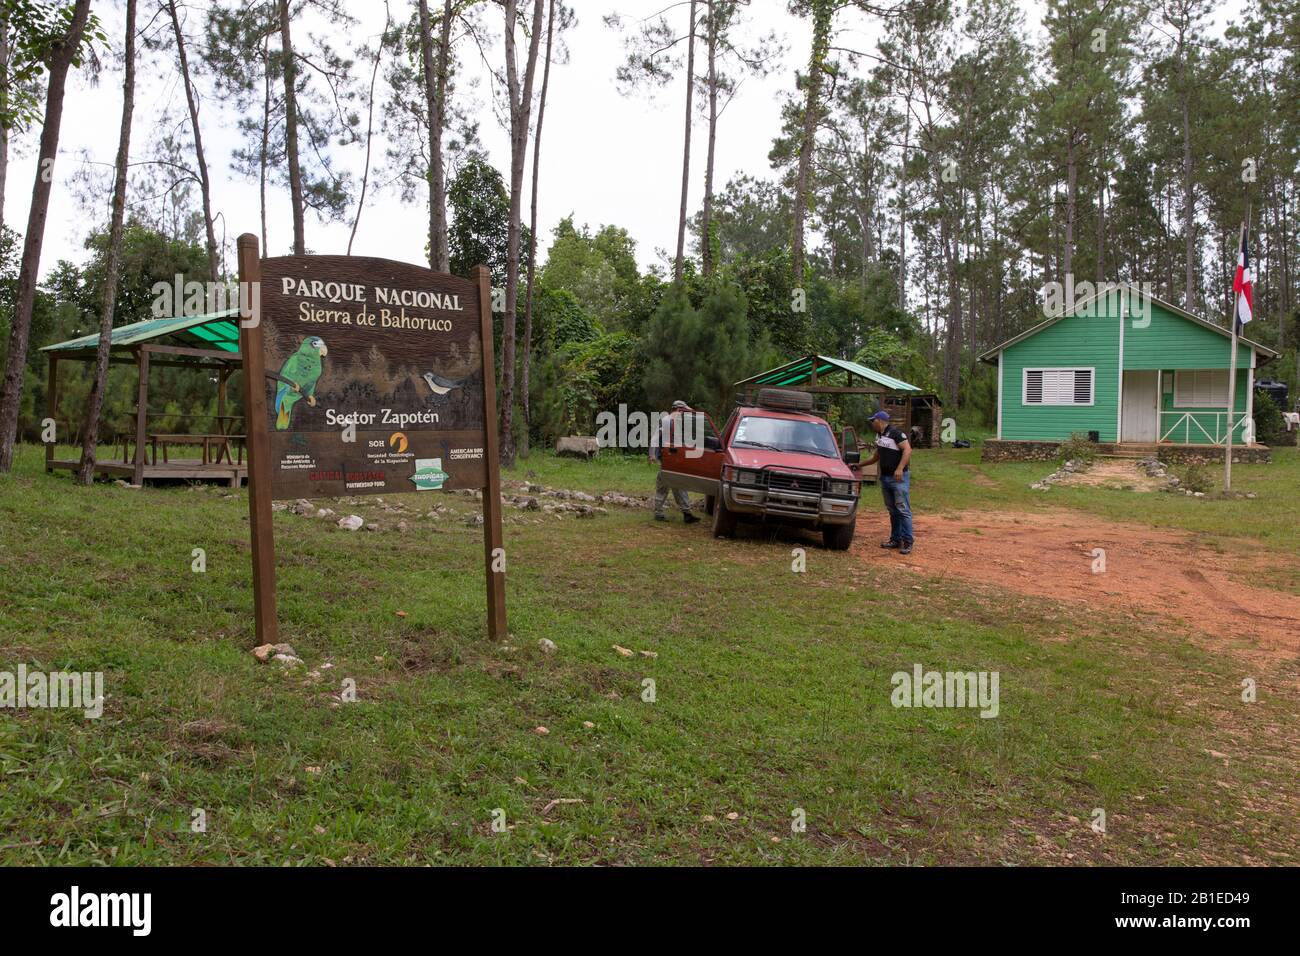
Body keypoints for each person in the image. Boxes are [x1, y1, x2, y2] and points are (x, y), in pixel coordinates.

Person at [863, 410, 913, 554]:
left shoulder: (896, 433)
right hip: (885, 478)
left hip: (898, 478)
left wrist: (900, 468)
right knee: (893, 511)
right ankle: (896, 539)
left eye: (873, 421)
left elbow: (908, 450)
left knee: (903, 510)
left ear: (879, 420)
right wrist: (860, 465)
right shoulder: (880, 435)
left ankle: (908, 541)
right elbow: (876, 457)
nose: (871, 424)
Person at [649, 400, 700, 524]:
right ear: (678, 410)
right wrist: (651, 454)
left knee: (677, 483)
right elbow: (656, 437)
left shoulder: (676, 422)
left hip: (674, 456)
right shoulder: (666, 420)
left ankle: (685, 513)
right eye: (683, 411)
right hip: (667, 456)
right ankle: (660, 512)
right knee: (665, 484)